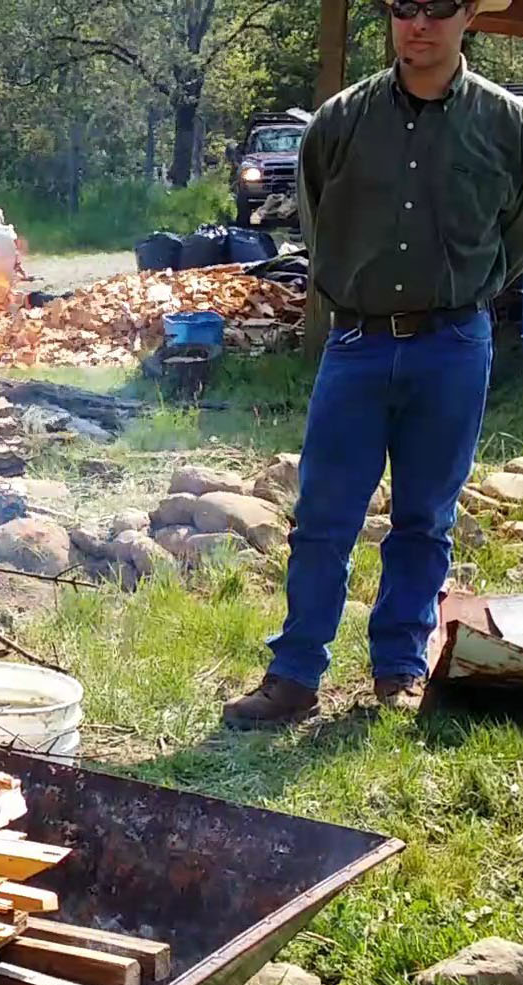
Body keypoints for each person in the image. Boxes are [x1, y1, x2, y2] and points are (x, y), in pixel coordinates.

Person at [224, 0, 523, 729]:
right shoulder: (339, 121)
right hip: (356, 345)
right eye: (402, 6)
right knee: (323, 518)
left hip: (452, 345)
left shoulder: (506, 123)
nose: (418, 23)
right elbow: (318, 220)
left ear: (468, 15)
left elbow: (515, 235)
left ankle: (398, 669)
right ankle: (294, 676)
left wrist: (468, 288)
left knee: (425, 519)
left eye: (438, 7)